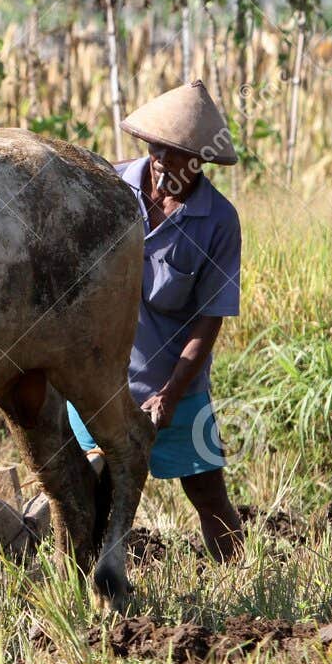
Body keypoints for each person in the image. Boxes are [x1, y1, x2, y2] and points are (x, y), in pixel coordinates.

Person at [67, 80, 245, 560]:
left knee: (208, 495)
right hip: (94, 381)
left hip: (174, 386)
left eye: (180, 155)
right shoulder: (107, 188)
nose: (166, 163)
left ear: (201, 161)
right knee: (84, 490)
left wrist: (170, 393)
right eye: (159, 150)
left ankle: (240, 578)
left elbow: (210, 318)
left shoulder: (218, 221)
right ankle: (82, 581)